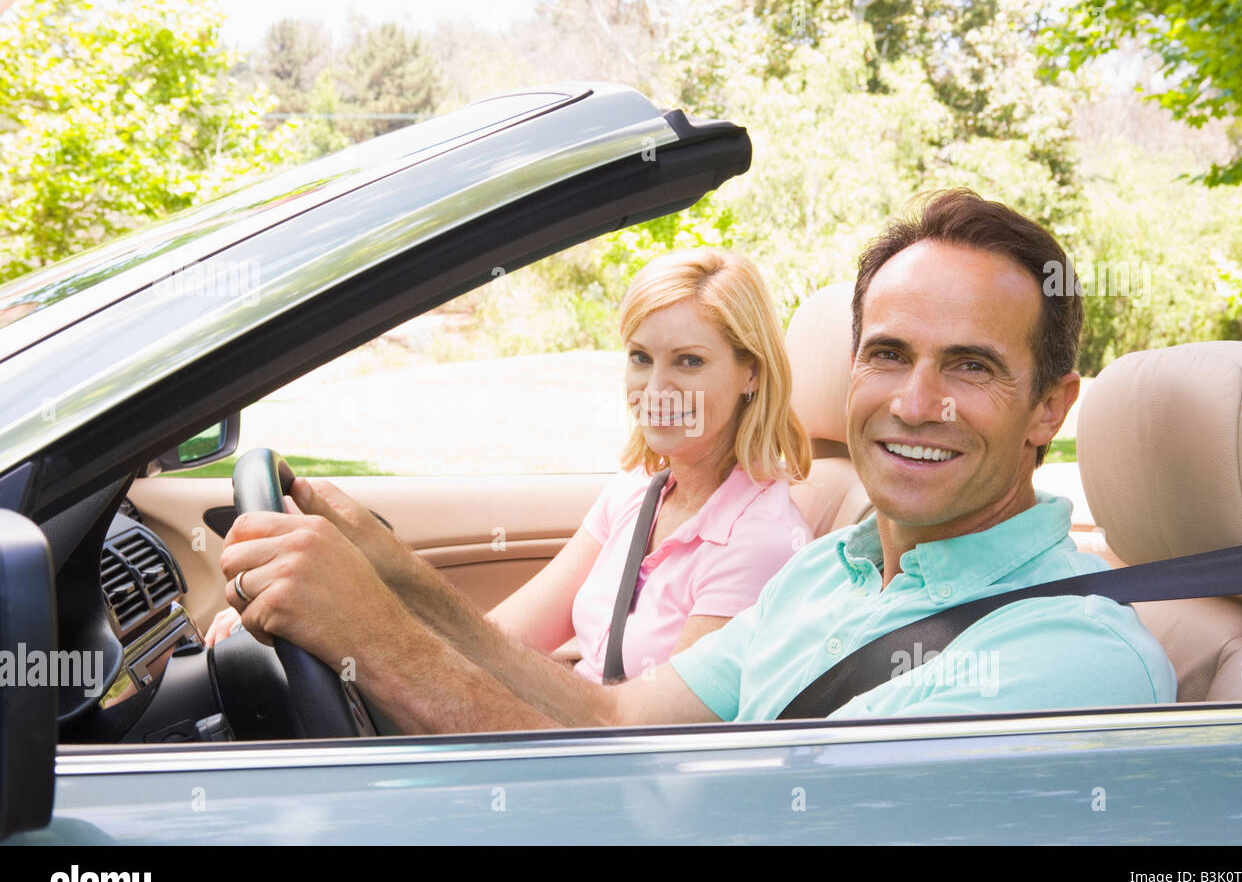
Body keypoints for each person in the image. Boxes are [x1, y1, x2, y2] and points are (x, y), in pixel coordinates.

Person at [219, 188, 1176, 733]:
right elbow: (614, 723)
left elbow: (693, 824)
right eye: (887, 355)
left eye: (970, 367)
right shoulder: (828, 573)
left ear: (1051, 408)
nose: (914, 403)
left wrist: (376, 642)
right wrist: (391, 579)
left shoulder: (1067, 656)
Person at [207, 248, 813, 686]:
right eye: (640, 357)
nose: (655, 387)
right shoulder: (640, 491)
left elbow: (656, 737)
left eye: (688, 361)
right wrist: (320, 607)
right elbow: (499, 638)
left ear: (751, 373)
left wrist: (352, 625)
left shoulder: (758, 539)